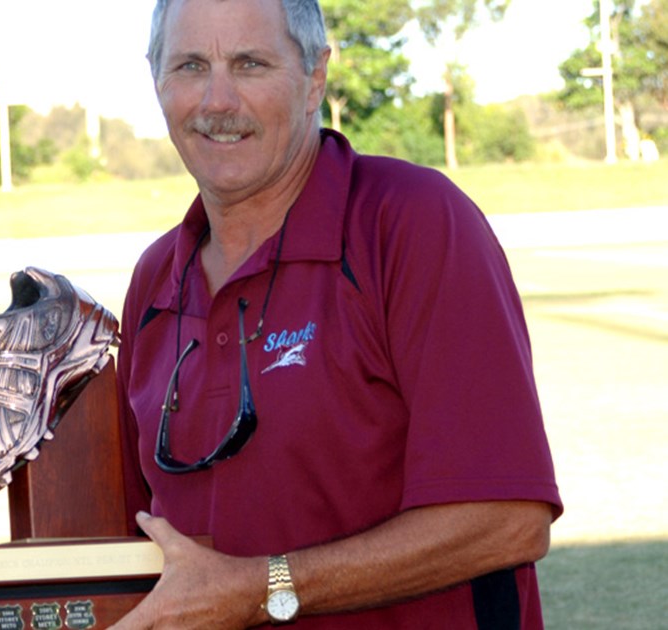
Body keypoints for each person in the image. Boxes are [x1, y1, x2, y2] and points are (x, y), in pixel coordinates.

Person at [112, 0, 562, 628]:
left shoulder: (412, 222)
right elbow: (129, 551)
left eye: (249, 63)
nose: (217, 101)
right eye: (190, 66)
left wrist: (258, 588)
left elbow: (506, 520)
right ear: (156, 81)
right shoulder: (156, 281)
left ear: (315, 75)